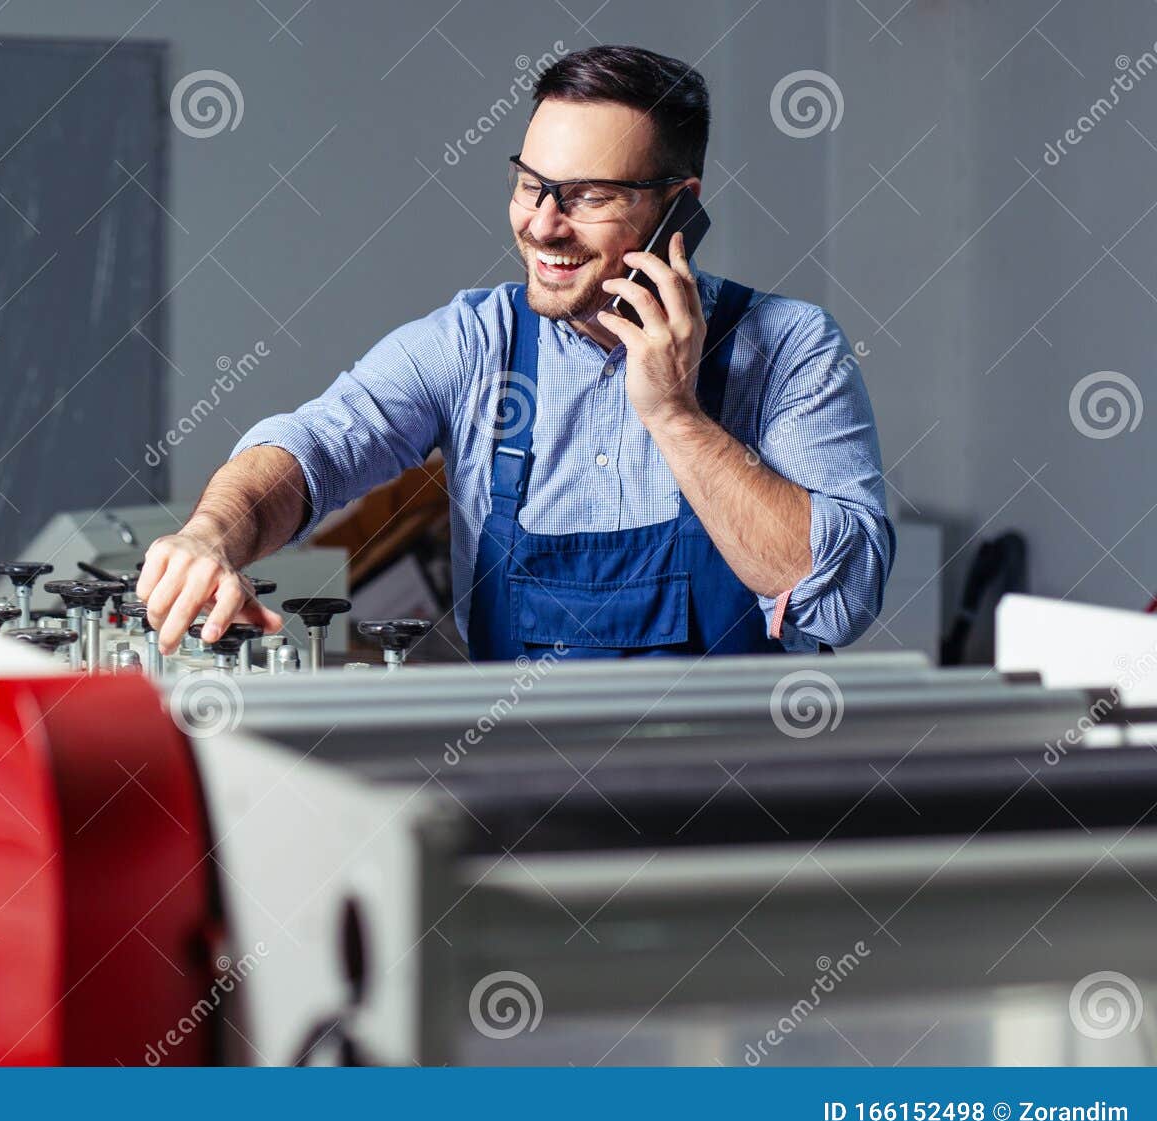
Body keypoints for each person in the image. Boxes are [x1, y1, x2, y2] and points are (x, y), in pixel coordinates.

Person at [137, 44, 894, 660]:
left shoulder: (791, 348)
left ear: (679, 206)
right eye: (530, 185)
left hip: (735, 808)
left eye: (588, 196)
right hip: (522, 804)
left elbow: (840, 600)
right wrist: (212, 533)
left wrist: (676, 415)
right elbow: (315, 449)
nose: (542, 225)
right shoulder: (475, 345)